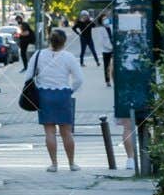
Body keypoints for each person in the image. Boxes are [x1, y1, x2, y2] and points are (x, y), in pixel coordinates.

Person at [32, 27, 83, 171]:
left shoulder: (38, 55)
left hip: (44, 95)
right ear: (64, 42)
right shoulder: (69, 57)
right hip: (63, 95)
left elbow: (29, 76)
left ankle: (54, 164)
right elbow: (79, 79)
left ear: (49, 40)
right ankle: (72, 163)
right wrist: (70, 90)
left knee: (49, 132)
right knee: (66, 132)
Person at [90, 13, 113, 86]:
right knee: (107, 66)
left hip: (114, 49)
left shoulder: (111, 27)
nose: (105, 20)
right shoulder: (101, 29)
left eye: (106, 19)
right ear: (101, 21)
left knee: (114, 66)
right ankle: (107, 81)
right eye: (103, 19)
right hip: (106, 50)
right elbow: (102, 41)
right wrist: (111, 47)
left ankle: (114, 79)